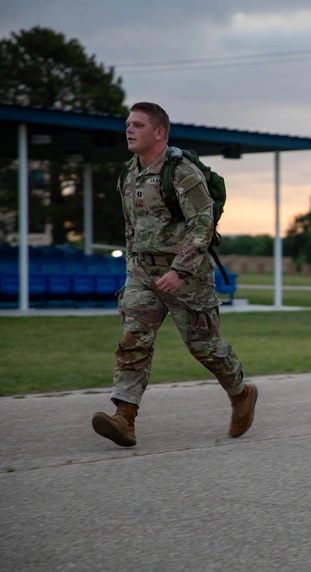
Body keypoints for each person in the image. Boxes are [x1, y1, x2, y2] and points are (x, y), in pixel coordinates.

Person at [91, 102, 257, 447]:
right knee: (133, 340)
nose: (129, 130)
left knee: (204, 346)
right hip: (142, 274)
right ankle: (125, 417)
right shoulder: (128, 173)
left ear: (159, 132)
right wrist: (134, 270)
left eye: (137, 124)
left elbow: (203, 225)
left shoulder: (181, 172)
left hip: (187, 277)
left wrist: (181, 271)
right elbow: (131, 228)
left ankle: (241, 394)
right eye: (127, 124)